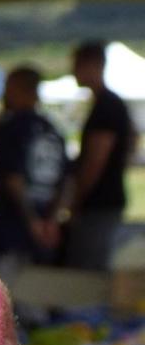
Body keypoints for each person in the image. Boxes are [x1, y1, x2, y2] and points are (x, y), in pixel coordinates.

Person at [0, 66, 67, 281]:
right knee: (37, 290)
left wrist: (32, 222)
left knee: (6, 290)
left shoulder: (12, 127)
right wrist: (51, 220)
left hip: (14, 226)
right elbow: (66, 180)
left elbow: (13, 178)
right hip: (44, 223)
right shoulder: (52, 129)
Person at [61, 41, 134, 270]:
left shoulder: (107, 106)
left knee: (87, 274)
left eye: (77, 65)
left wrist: (77, 200)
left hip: (99, 204)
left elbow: (95, 161)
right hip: (105, 201)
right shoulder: (109, 104)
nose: (73, 71)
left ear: (93, 65)